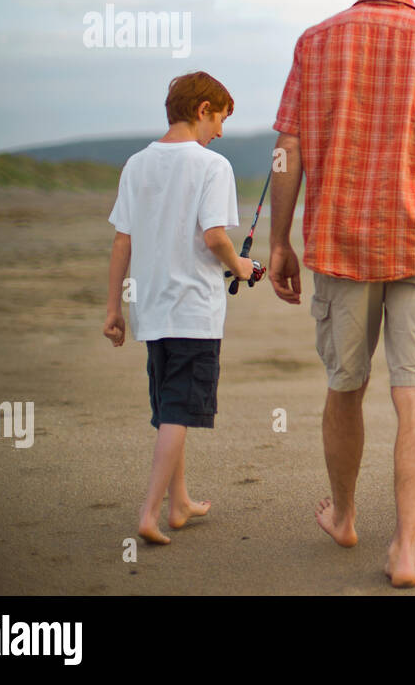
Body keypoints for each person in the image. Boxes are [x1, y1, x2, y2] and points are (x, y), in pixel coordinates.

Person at [267, 0, 415, 588]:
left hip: (338, 242)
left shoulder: (315, 42)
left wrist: (278, 240)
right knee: (413, 395)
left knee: (345, 386)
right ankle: (406, 549)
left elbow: (290, 151)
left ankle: (345, 515)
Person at [103, 71, 255, 545]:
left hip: (150, 309)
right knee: (178, 409)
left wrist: (114, 308)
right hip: (193, 310)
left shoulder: (136, 164)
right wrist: (243, 267)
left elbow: (122, 241)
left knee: (173, 407)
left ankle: (179, 501)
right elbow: (215, 237)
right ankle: (149, 511)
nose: (222, 132)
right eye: (222, 119)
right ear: (203, 109)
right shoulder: (213, 166)